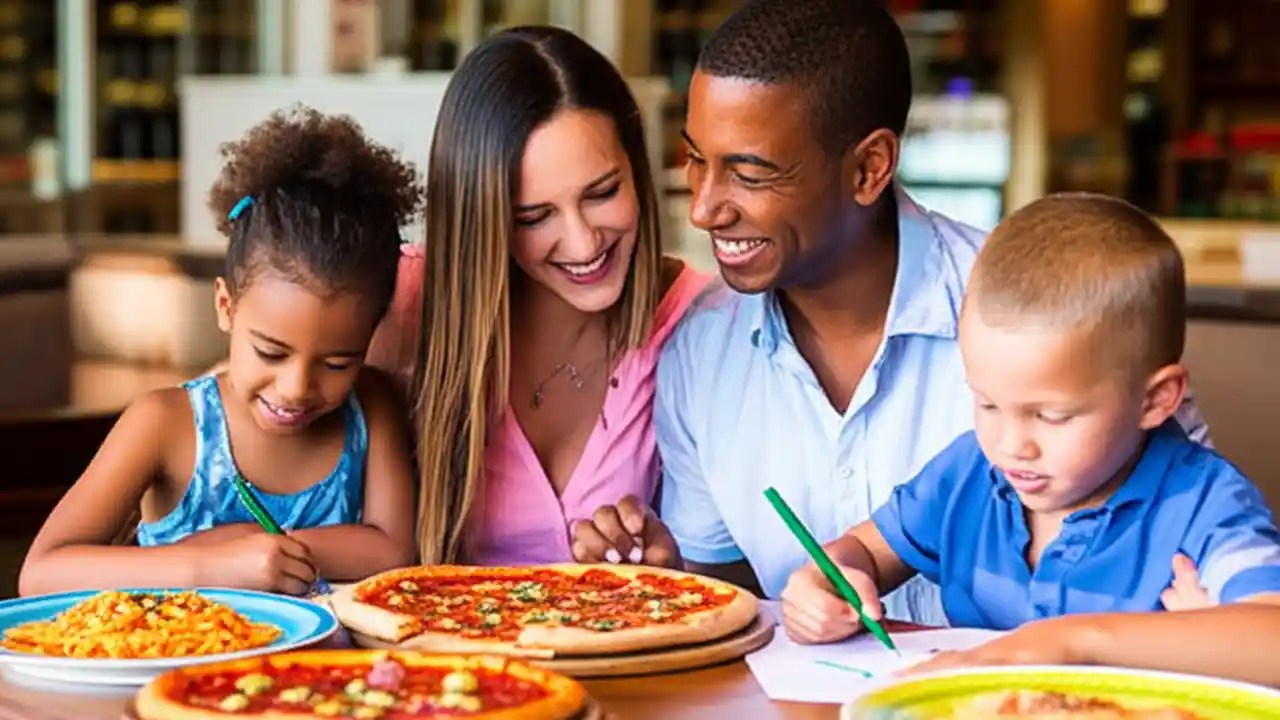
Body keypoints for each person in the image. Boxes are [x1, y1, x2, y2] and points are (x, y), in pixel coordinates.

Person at [570, 0, 1208, 625]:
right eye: (698, 160)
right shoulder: (700, 350)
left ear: (869, 168)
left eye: (751, 174)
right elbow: (739, 597)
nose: (706, 208)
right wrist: (671, 569)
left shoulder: (1053, 316)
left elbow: (1197, 560)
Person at [781, 194, 1280, 687]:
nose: (1011, 444)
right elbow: (862, 552)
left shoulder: (1202, 504)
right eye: (988, 404)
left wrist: (1070, 643)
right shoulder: (970, 473)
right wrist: (827, 580)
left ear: (1156, 400)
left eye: (1050, 416)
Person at [20, 108, 420, 596]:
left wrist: (266, 546)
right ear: (226, 306)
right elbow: (41, 573)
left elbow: (394, 550)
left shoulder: (370, 407)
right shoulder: (165, 423)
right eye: (271, 353)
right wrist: (208, 566)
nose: (296, 388)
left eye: (338, 362)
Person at [364, 26, 708, 566]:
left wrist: (672, 563)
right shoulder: (407, 304)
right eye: (534, 216)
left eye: (602, 193)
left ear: (637, 171)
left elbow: (738, 569)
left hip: (626, 645)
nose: (583, 241)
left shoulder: (698, 321)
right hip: (440, 647)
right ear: (484, 222)